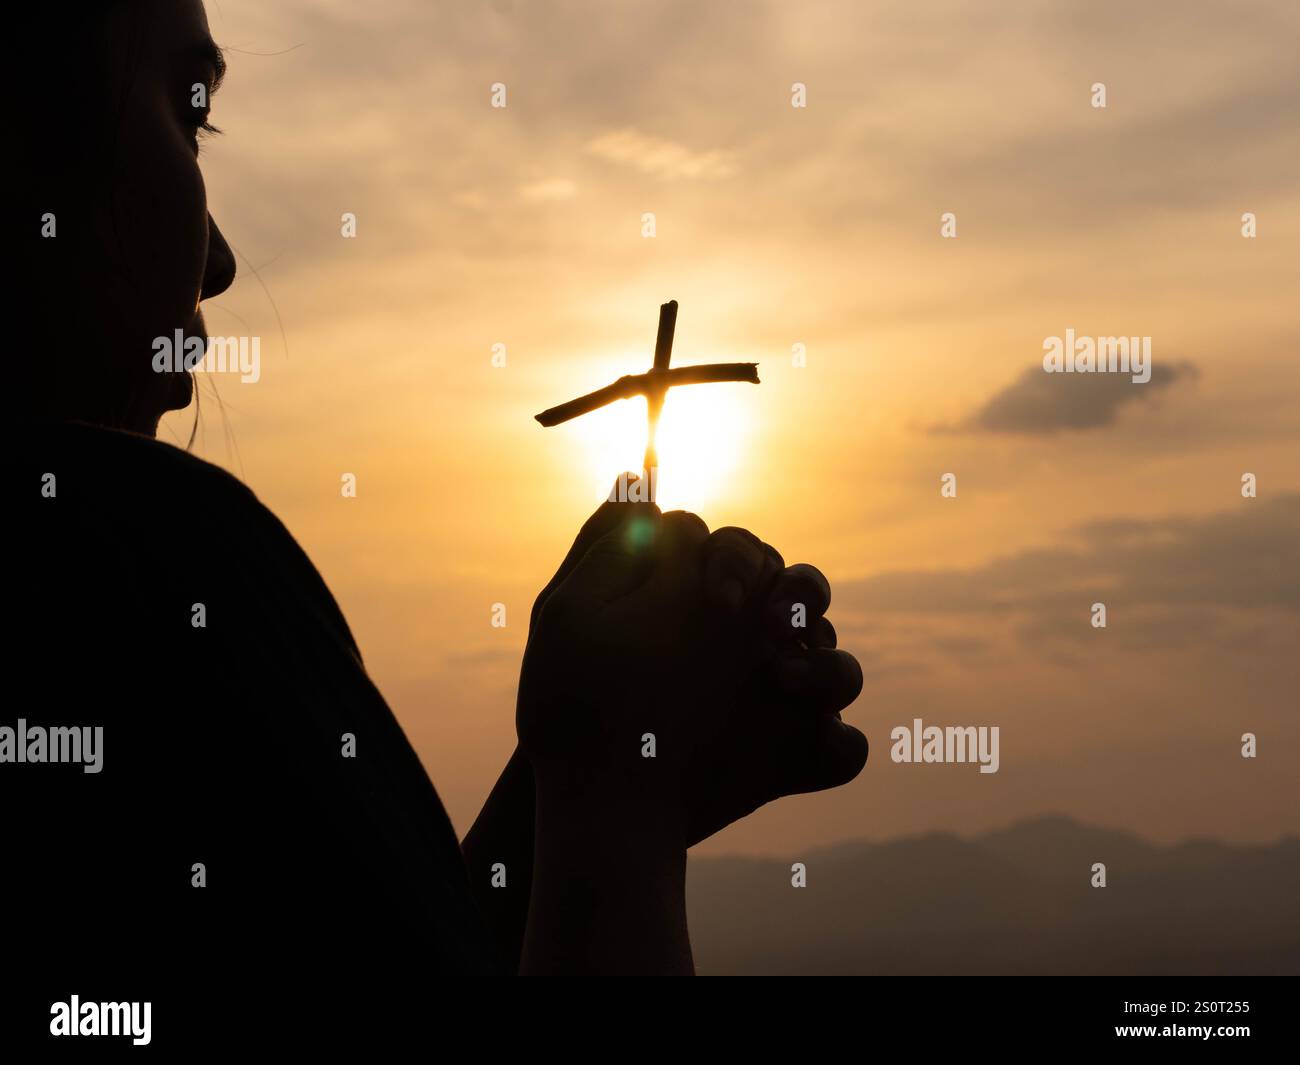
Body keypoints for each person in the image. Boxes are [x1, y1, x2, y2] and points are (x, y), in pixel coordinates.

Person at [6, 0, 868, 1001]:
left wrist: (573, 774)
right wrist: (620, 819)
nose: (221, 260)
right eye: (188, 117)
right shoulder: (131, 553)